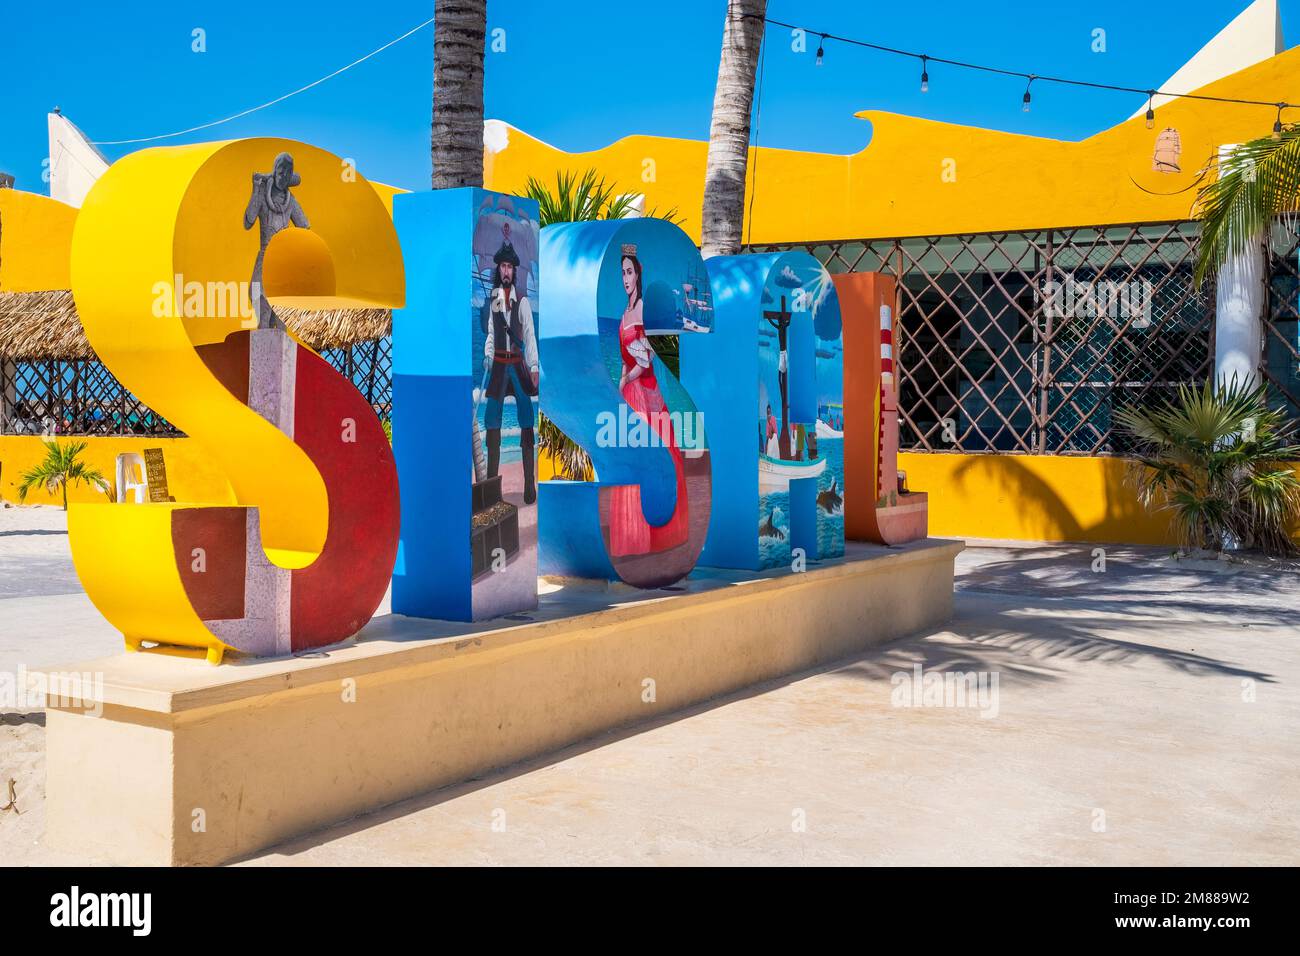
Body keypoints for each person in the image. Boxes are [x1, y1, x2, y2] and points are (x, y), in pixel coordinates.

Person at [608, 245, 689, 557]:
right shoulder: (623, 315)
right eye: (622, 273)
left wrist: (628, 378)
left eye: (629, 272)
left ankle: (661, 532)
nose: (625, 278)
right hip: (629, 391)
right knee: (628, 460)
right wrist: (622, 382)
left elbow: (649, 356)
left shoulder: (641, 311)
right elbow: (626, 360)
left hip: (646, 391)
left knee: (654, 455)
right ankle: (631, 534)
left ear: (638, 274)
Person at [482, 237, 538, 504]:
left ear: (515, 271)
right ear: (499, 270)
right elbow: (492, 332)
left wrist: (535, 367)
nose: (506, 271)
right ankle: (492, 489)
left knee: (527, 417)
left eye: (510, 267)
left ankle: (529, 485)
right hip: (498, 366)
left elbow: (529, 335)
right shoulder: (493, 299)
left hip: (517, 365)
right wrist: (486, 355)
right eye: (502, 267)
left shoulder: (523, 302)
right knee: (492, 418)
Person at [243, 152, 309, 330]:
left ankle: (282, 354)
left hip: (282, 262)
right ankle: (263, 355)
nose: (284, 177)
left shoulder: (291, 201)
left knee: (280, 314)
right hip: (265, 258)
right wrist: (256, 190)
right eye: (281, 172)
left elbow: (305, 226)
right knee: (259, 299)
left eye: (288, 174)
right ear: (274, 171)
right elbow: (248, 221)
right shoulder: (263, 194)